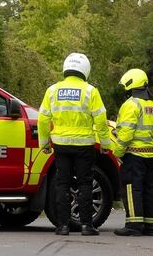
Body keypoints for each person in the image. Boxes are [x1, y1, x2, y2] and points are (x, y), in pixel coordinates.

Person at [38, 52, 111, 236]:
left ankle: (62, 226)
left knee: (62, 183)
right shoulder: (90, 91)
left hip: (61, 145)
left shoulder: (53, 90)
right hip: (84, 146)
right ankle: (86, 225)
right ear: (85, 70)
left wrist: (44, 142)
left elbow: (43, 118)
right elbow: (101, 120)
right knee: (85, 183)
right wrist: (105, 143)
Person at [110, 69, 153, 236]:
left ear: (130, 85)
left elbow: (126, 133)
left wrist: (118, 152)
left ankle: (133, 226)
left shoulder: (131, 105)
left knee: (132, 188)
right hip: (151, 155)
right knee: (149, 189)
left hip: (133, 156)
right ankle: (150, 226)